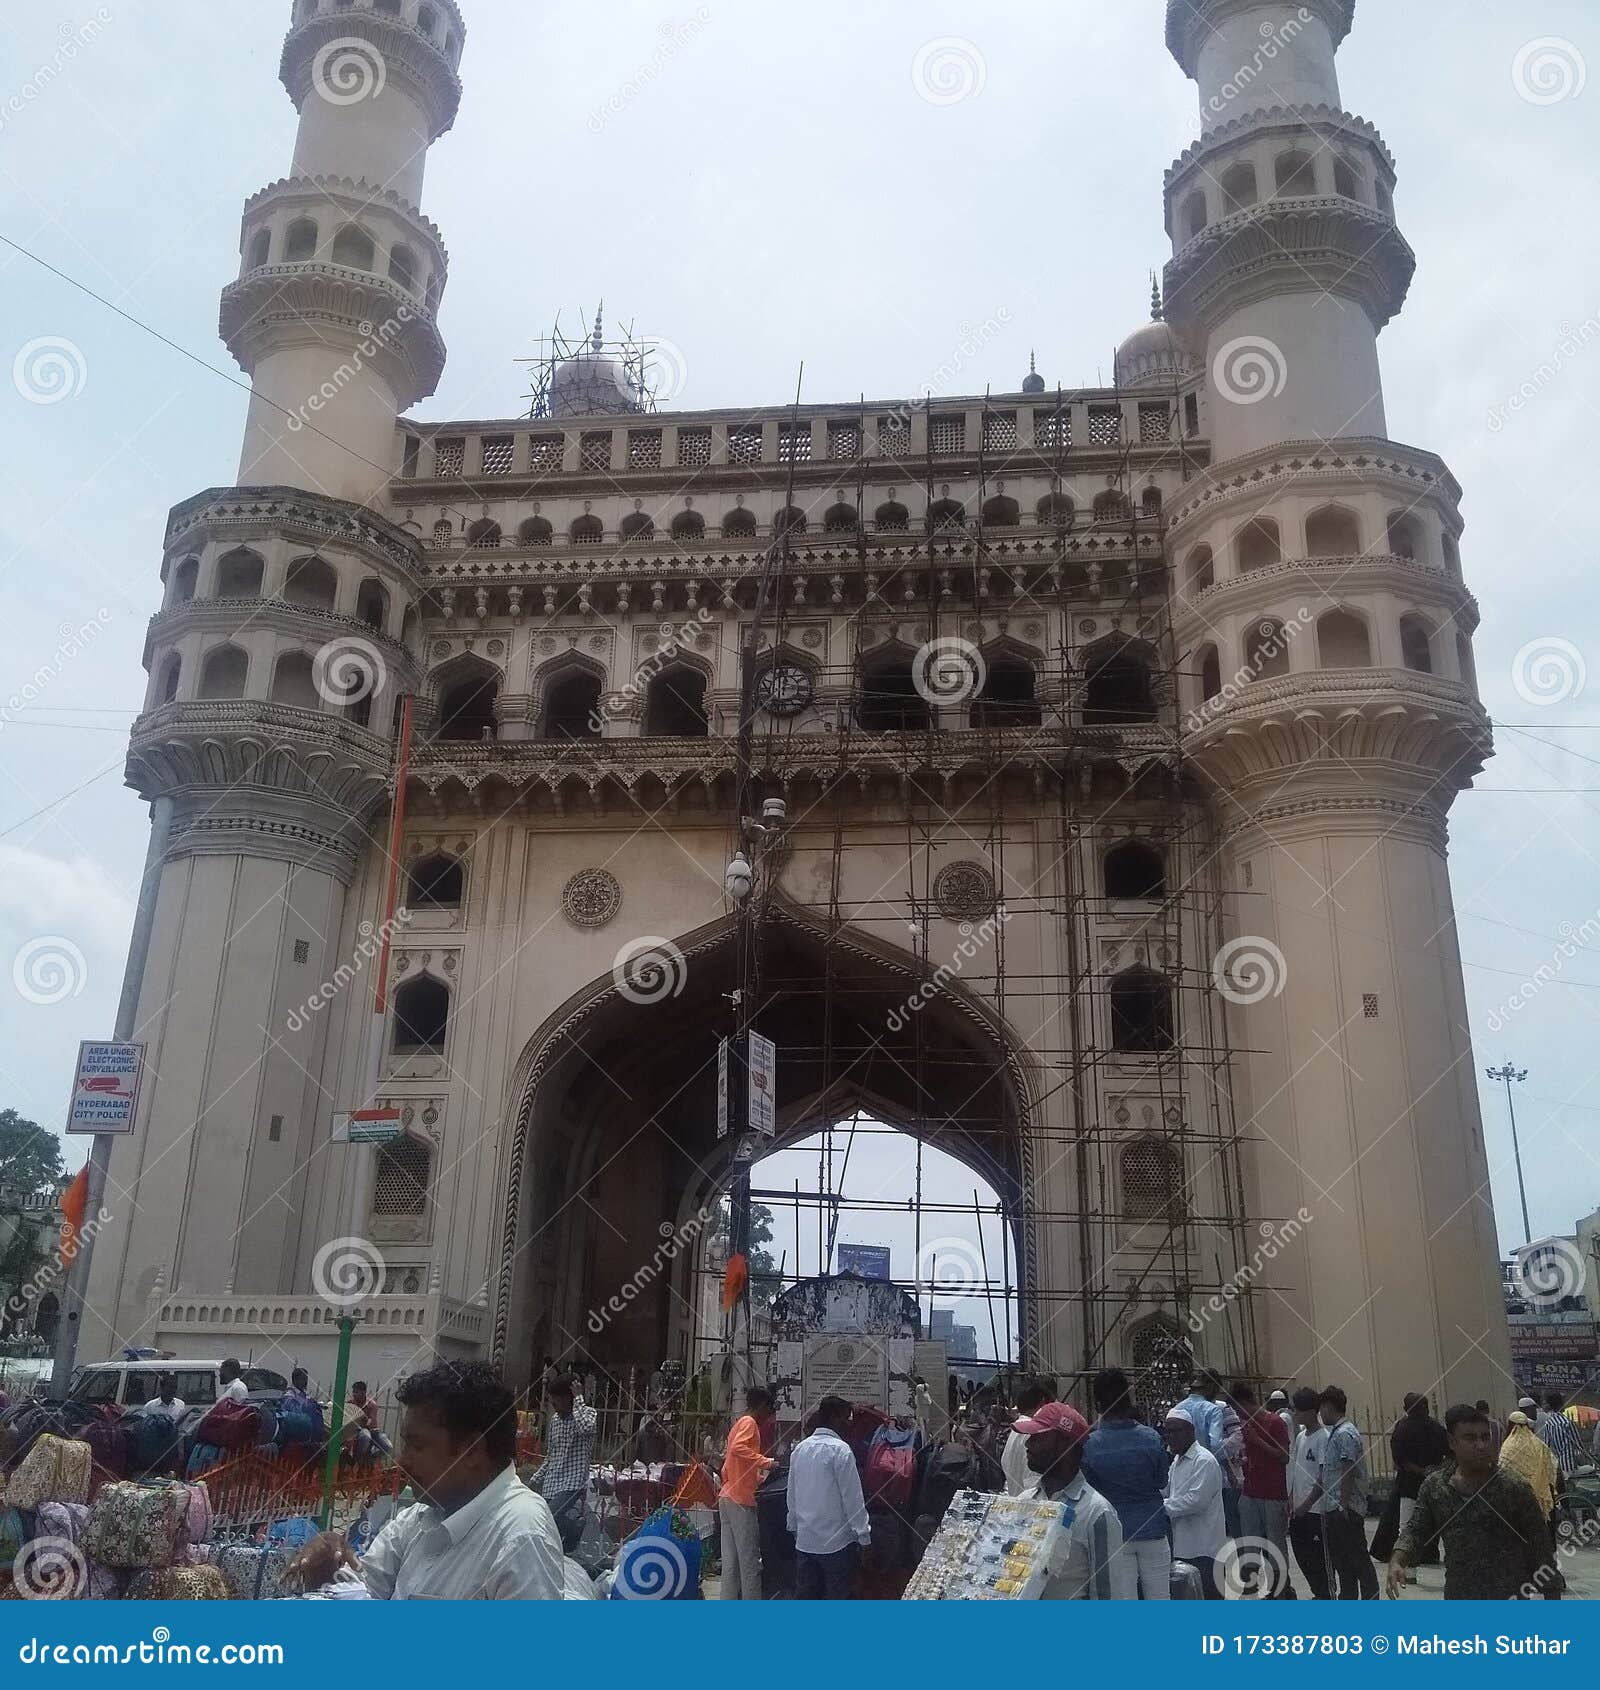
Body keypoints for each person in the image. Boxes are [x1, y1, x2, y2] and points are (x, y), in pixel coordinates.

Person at [288, 1361, 566, 1599]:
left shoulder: (522, 1536)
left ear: (471, 1450)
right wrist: (327, 1574)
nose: (402, 1461)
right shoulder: (418, 1518)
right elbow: (360, 1590)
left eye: (417, 1446)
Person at [1389, 1403, 1552, 1600]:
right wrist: (1398, 1559)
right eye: (1470, 1438)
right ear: (1451, 1442)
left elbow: (1540, 1547)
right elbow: (1416, 1530)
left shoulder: (1513, 1488)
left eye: (1485, 1437)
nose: (1481, 1446)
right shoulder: (1436, 1487)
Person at [1012, 1400, 1132, 1599]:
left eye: (1038, 1437)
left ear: (1066, 1446)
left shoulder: (1096, 1513)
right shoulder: (1025, 1502)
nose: (1028, 1444)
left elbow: (1108, 1594)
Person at [1082, 1367, 1170, 1600]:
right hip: (1153, 1528)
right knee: (1161, 1599)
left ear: (1098, 1404)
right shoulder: (1151, 1438)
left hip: (1115, 1535)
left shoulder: (1091, 1445)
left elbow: (1090, 1492)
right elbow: (1162, 1480)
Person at [786, 1395, 871, 1599]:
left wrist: (794, 1528)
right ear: (834, 1418)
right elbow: (853, 1499)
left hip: (806, 1541)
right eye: (846, 1417)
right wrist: (864, 1537)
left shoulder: (800, 1449)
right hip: (837, 1545)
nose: (849, 1423)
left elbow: (792, 1495)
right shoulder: (840, 1451)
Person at [1305, 1386, 1376, 1600]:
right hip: (1335, 1506)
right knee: (1343, 1561)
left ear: (1328, 1407)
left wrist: (1343, 1504)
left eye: (1321, 1409)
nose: (1320, 1414)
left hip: (1345, 1507)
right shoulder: (1337, 1432)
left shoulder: (1345, 1433)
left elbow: (1348, 1468)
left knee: (1358, 1559)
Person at [1378, 1392, 1447, 1579]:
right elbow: (1449, 1454)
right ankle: (1433, 1554)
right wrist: (1434, 1470)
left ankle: (1409, 1570)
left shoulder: (1403, 1429)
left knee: (1407, 1526)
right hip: (1435, 1483)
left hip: (1409, 1484)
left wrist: (1420, 1470)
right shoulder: (1438, 1428)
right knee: (1439, 1523)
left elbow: (1400, 1460)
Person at [718, 1385, 776, 1601]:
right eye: (769, 1409)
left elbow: (729, 1464)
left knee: (731, 1563)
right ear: (761, 1406)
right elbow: (738, 1450)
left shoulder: (737, 1424)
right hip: (741, 1500)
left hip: (728, 1496)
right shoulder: (750, 1423)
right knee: (749, 1561)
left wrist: (757, 1477)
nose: (769, 1416)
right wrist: (767, 1463)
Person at [1161, 1407, 1227, 1599]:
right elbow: (1166, 1490)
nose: (1170, 1436)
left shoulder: (1204, 1460)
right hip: (1183, 1547)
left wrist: (1159, 1507)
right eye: (1168, 1432)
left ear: (1190, 1431)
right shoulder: (1176, 1461)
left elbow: (1196, 1501)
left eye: (1175, 1431)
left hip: (1205, 1548)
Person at [1234, 1382, 1292, 1597]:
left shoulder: (1274, 1422)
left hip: (1272, 1494)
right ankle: (1250, 1586)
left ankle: (1280, 1590)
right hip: (1251, 1491)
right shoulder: (1246, 1425)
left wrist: (1257, 1441)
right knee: (1250, 1542)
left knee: (1274, 1544)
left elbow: (1284, 1456)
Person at [1500, 1410, 1565, 1597]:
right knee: (1545, 1552)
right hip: (1543, 1508)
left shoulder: (1507, 1448)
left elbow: (1503, 1478)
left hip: (1517, 1513)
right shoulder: (1540, 1445)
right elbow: (1554, 1471)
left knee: (1521, 1556)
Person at [531, 1375, 597, 1553]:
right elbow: (551, 1455)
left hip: (572, 1482)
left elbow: (586, 1428)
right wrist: (537, 1477)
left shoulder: (587, 1413)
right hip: (552, 1482)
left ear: (567, 1398)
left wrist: (578, 1398)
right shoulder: (555, 1421)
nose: (553, 1407)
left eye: (555, 1403)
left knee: (548, 1516)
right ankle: (572, 1528)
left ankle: (566, 1538)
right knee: (539, 1517)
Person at [1179, 1369, 1240, 1537]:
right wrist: (1229, 1471)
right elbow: (1216, 1446)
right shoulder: (1212, 1410)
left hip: (1184, 1476)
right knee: (1215, 1529)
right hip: (1211, 1476)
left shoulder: (1178, 1409)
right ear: (1212, 1387)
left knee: (1192, 1528)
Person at [1285, 1388, 1330, 1600]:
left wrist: (1307, 1504)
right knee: (1302, 1555)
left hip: (1315, 1510)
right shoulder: (1302, 1436)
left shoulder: (1323, 1438)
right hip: (1298, 1508)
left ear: (1312, 1411)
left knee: (1317, 1558)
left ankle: (1325, 1595)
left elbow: (1322, 1478)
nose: (1296, 1415)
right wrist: (1292, 1499)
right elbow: (1297, 1470)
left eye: (1300, 1411)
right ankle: (1316, 1592)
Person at [1002, 1381, 1052, 1496]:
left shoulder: (1015, 1432)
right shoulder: (1032, 1433)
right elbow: (1033, 1483)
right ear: (1043, 1402)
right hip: (1029, 1507)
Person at [1539, 1391, 1586, 1479]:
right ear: (1560, 1404)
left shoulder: (1549, 1423)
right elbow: (1579, 1445)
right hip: (1571, 1466)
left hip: (1558, 1467)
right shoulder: (1567, 1422)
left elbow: (1546, 1446)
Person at [350, 1382, 393, 1457]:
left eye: (356, 1392)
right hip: (357, 1431)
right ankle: (357, 1459)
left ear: (363, 1392)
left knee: (388, 1446)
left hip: (374, 1431)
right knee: (365, 1436)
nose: (354, 1394)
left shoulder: (371, 1404)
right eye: (353, 1392)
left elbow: (370, 1420)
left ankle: (370, 1459)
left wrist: (365, 1421)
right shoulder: (351, 1404)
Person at [912, 1376, 934, 1440]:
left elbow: (919, 1402)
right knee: (926, 1429)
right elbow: (929, 1402)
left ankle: (923, 1443)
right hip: (926, 1412)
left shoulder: (918, 1388)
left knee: (922, 1429)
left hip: (920, 1412)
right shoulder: (926, 1392)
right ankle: (927, 1441)